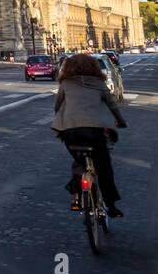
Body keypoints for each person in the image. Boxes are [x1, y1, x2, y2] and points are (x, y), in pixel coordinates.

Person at [52, 53, 127, 217]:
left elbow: (57, 106)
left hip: (71, 132)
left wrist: (63, 119)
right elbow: (112, 106)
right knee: (104, 166)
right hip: (94, 131)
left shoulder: (65, 83)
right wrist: (120, 121)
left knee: (79, 161)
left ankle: (76, 198)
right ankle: (111, 205)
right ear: (93, 67)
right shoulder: (99, 83)